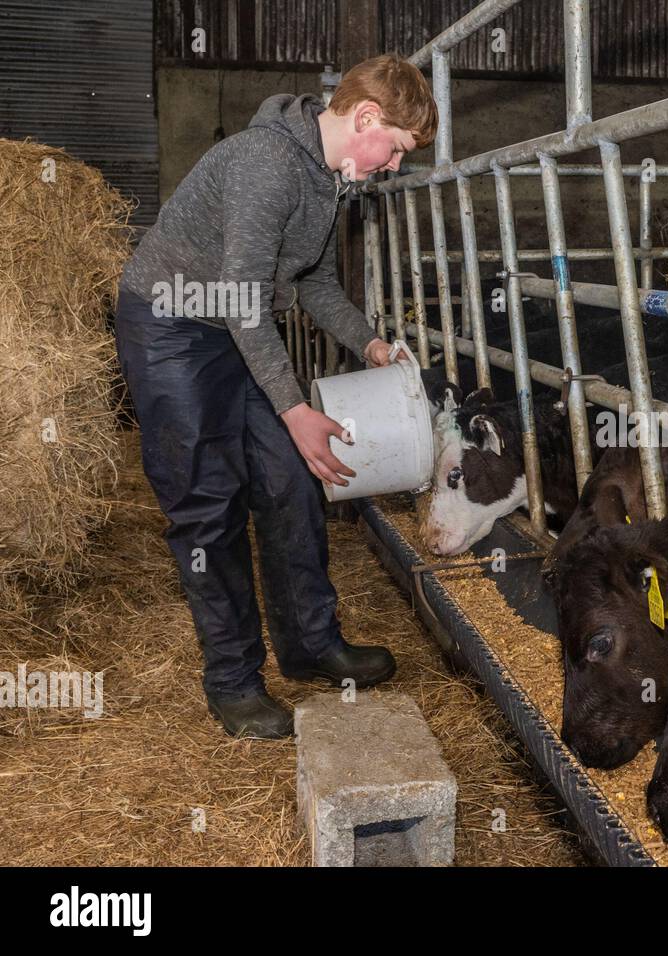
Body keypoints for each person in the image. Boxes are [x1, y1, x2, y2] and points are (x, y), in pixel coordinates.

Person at [114, 55, 437, 739]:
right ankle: (233, 682)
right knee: (208, 504)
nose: (395, 167)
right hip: (172, 326)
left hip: (236, 324)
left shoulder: (326, 179)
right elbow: (242, 300)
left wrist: (373, 344)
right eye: (398, 151)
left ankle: (312, 644)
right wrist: (294, 409)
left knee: (291, 480)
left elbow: (313, 285)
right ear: (367, 119)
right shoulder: (266, 163)